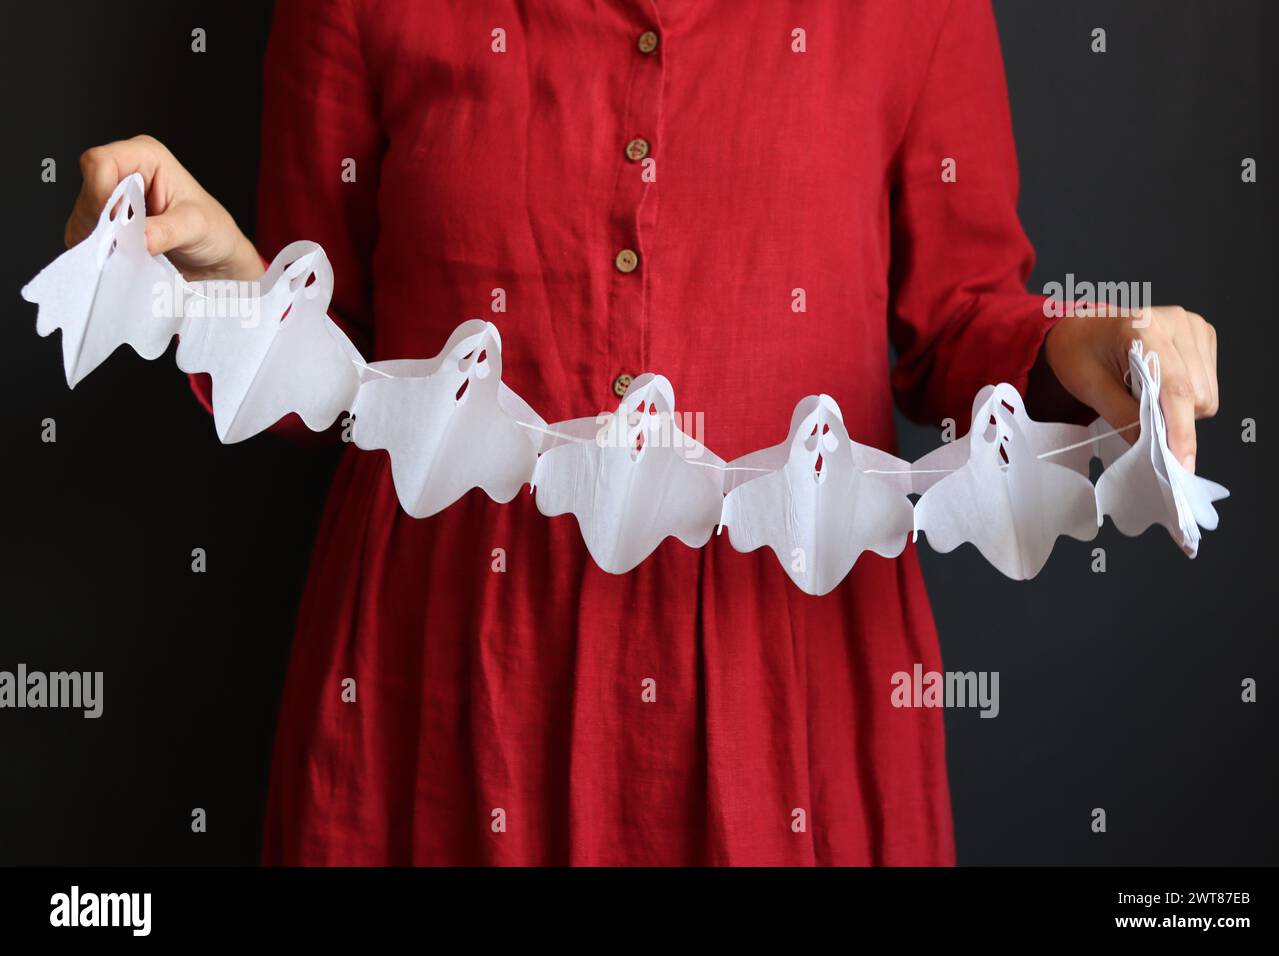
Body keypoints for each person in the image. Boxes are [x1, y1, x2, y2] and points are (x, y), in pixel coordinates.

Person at [63, 0, 1218, 865]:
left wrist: (1087, 344)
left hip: (789, 688)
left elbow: (958, 326)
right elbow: (329, 356)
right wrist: (219, 283)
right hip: (446, 680)